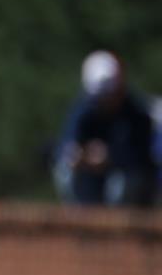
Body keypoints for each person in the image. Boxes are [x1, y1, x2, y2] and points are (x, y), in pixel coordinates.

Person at [53, 51, 157, 208]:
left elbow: (141, 158)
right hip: (91, 177)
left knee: (121, 182)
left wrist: (110, 157)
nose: (104, 101)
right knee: (64, 170)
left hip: (126, 182)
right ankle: (78, 219)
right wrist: (80, 156)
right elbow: (68, 144)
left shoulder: (137, 113)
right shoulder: (84, 109)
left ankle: (119, 226)